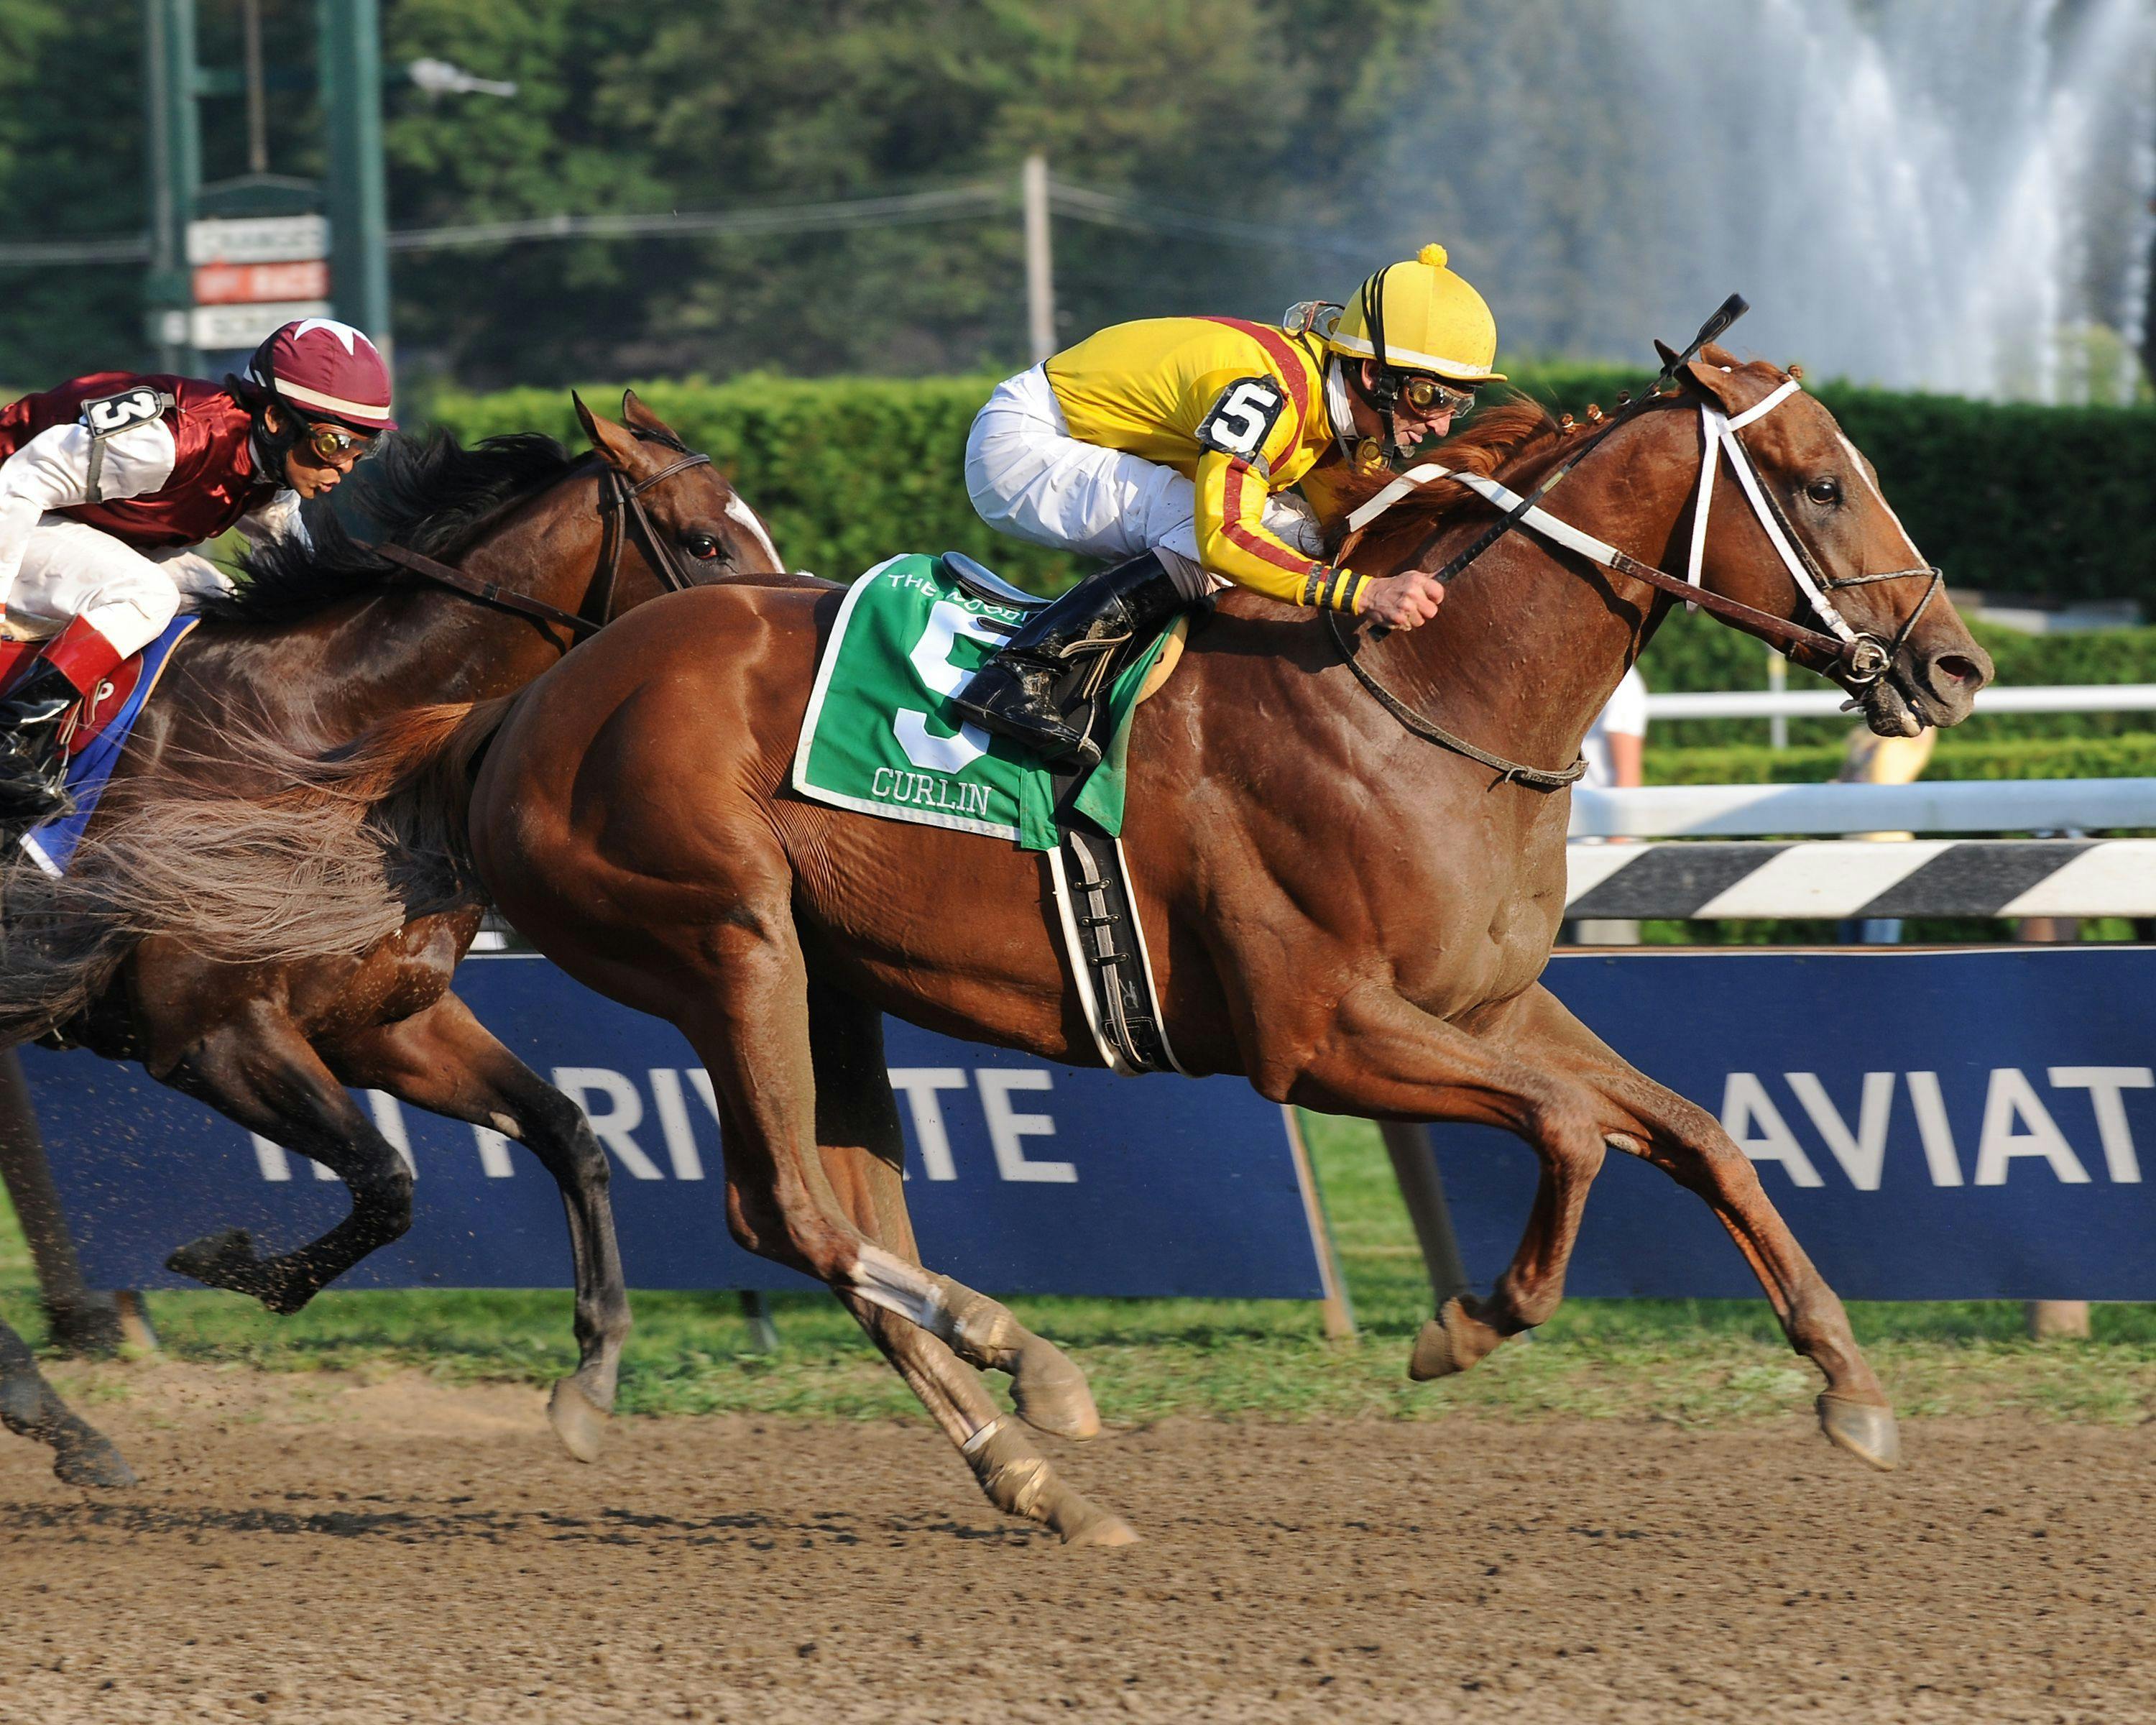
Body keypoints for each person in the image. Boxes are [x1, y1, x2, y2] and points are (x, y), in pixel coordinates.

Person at [952, 242, 1504, 763]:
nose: (1438, 423)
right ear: (1370, 374)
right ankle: (1022, 674)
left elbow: (1349, 530)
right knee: (1207, 530)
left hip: (1093, 439)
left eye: (1460, 402)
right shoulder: (1269, 393)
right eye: (1428, 396)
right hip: (1027, 443)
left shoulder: (1339, 411)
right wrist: (1365, 593)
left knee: (1304, 536)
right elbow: (1224, 538)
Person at [0, 317, 394, 824]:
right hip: (12, 496)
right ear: (276, 419)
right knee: (146, 593)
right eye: (334, 444)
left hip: (50, 514)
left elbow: (300, 574)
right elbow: (22, 481)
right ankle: (13, 738)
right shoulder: (171, 441)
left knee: (222, 599)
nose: (345, 466)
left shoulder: (268, 471)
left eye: (364, 449)